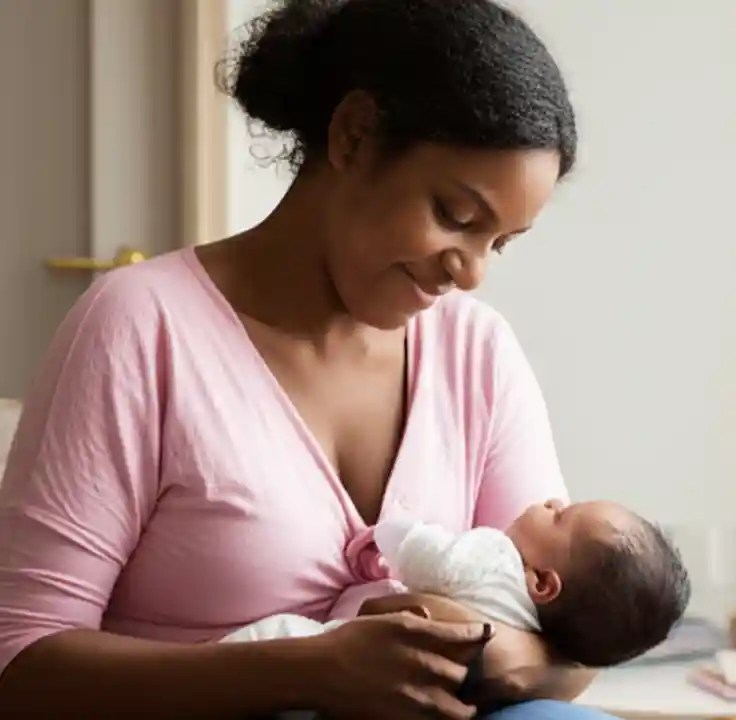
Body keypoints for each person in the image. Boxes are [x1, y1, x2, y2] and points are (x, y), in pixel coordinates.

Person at [0, 1, 619, 718]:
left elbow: (571, 644)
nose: (471, 271)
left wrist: (486, 653)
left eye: (500, 242)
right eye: (455, 216)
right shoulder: (141, 327)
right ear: (354, 137)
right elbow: (22, 663)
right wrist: (304, 670)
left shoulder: (476, 352)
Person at [226, 499, 692, 670]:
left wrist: (393, 531)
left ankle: (217, 662)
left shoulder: (494, 561)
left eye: (561, 516)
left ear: (544, 583)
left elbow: (432, 559)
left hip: (332, 657)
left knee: (276, 637)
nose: (552, 500)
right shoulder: (537, 627)